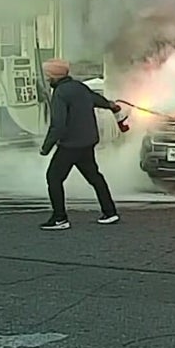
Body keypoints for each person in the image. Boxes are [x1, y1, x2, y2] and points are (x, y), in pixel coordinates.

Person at [38, 58, 121, 230]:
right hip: (87, 142)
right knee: (95, 177)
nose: (47, 79)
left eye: (48, 75)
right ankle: (110, 212)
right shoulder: (79, 87)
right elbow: (96, 99)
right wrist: (111, 105)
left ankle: (60, 218)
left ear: (54, 76)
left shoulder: (60, 93)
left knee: (53, 178)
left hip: (70, 145)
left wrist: (46, 147)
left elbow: (58, 125)